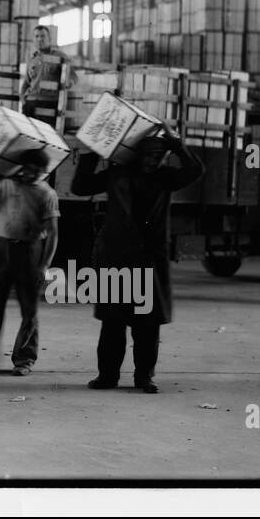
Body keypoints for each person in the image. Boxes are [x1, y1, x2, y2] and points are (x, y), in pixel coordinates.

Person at [71, 129, 204, 393]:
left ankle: (144, 377)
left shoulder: (166, 178)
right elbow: (80, 187)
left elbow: (196, 170)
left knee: (147, 324)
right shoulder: (117, 173)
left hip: (148, 259)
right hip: (117, 256)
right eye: (149, 154)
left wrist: (178, 146)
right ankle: (107, 376)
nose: (153, 160)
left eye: (159, 155)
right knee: (113, 322)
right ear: (137, 154)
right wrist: (91, 155)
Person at [0, 149, 60, 376]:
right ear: (20, 167)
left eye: (36, 171)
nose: (29, 174)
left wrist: (44, 265)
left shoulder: (46, 193)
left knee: (29, 309)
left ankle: (24, 360)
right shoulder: (5, 185)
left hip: (29, 251)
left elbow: (53, 233)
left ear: (44, 172)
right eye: (27, 169)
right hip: (0, 248)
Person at [21, 25, 77, 118]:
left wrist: (68, 83)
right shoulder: (32, 60)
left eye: (43, 36)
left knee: (47, 132)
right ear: (33, 40)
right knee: (27, 132)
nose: (40, 39)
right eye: (37, 36)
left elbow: (73, 78)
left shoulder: (60, 56)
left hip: (49, 104)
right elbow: (26, 83)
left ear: (49, 38)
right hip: (30, 104)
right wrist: (23, 99)